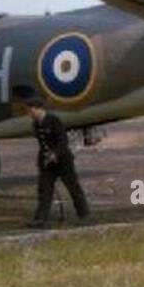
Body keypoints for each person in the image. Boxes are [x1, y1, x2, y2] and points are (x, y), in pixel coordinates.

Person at [14, 90, 89, 227]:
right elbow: (42, 143)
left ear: (37, 108)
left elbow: (62, 140)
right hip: (46, 161)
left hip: (62, 160)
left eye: (30, 110)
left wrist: (55, 154)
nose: (29, 114)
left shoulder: (53, 121)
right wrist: (43, 158)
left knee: (72, 186)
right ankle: (40, 219)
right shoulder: (36, 124)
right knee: (44, 189)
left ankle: (83, 213)